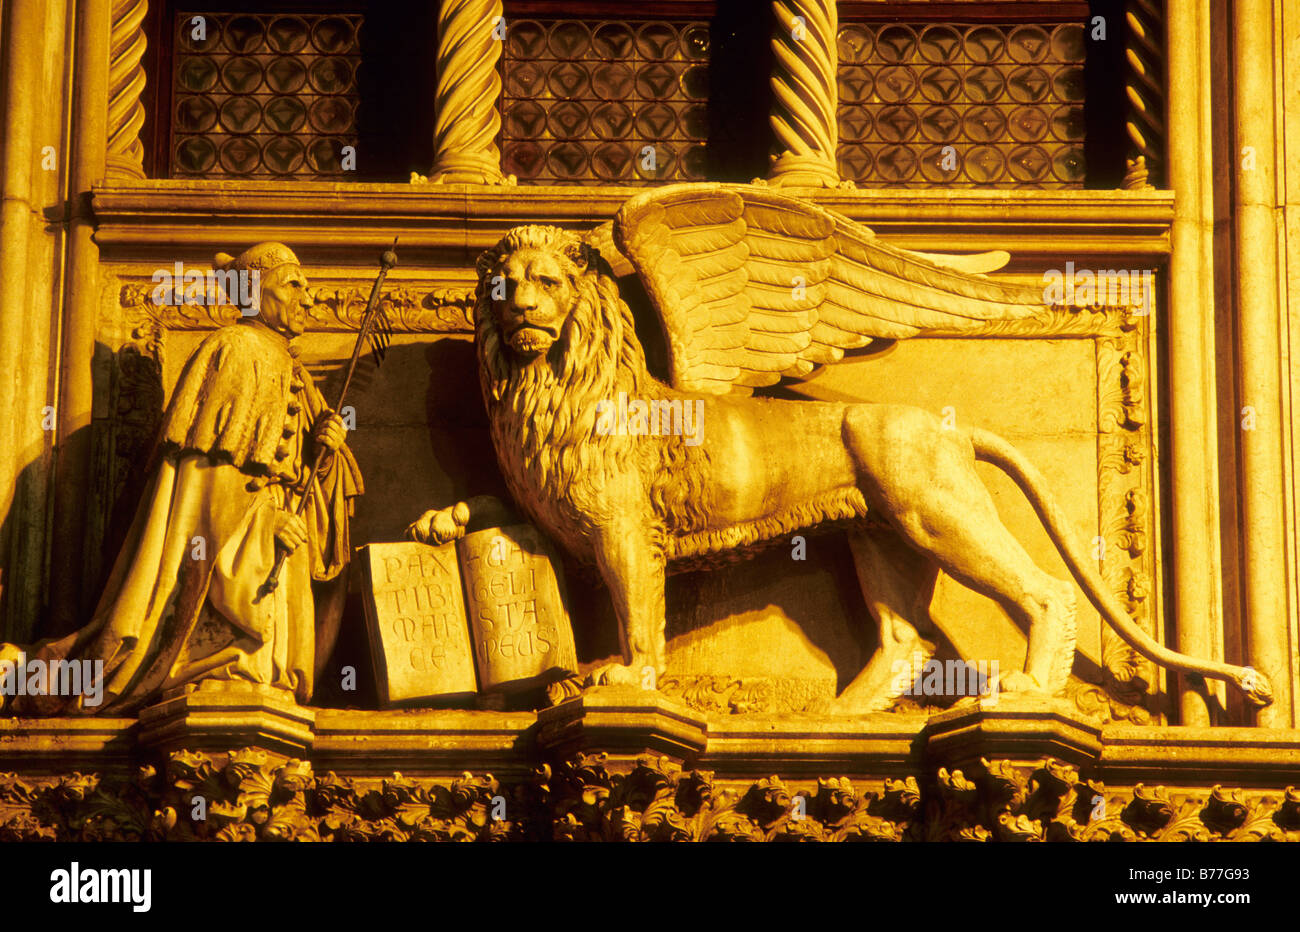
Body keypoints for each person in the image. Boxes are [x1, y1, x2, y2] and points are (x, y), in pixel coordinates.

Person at [7, 242, 362, 714]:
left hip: (278, 537)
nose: (308, 297)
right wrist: (263, 526)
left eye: (308, 286)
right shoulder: (234, 349)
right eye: (293, 284)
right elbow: (205, 478)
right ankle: (209, 665)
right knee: (220, 656)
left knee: (268, 672)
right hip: (242, 535)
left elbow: (309, 478)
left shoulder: (291, 364)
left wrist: (328, 450)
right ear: (254, 290)